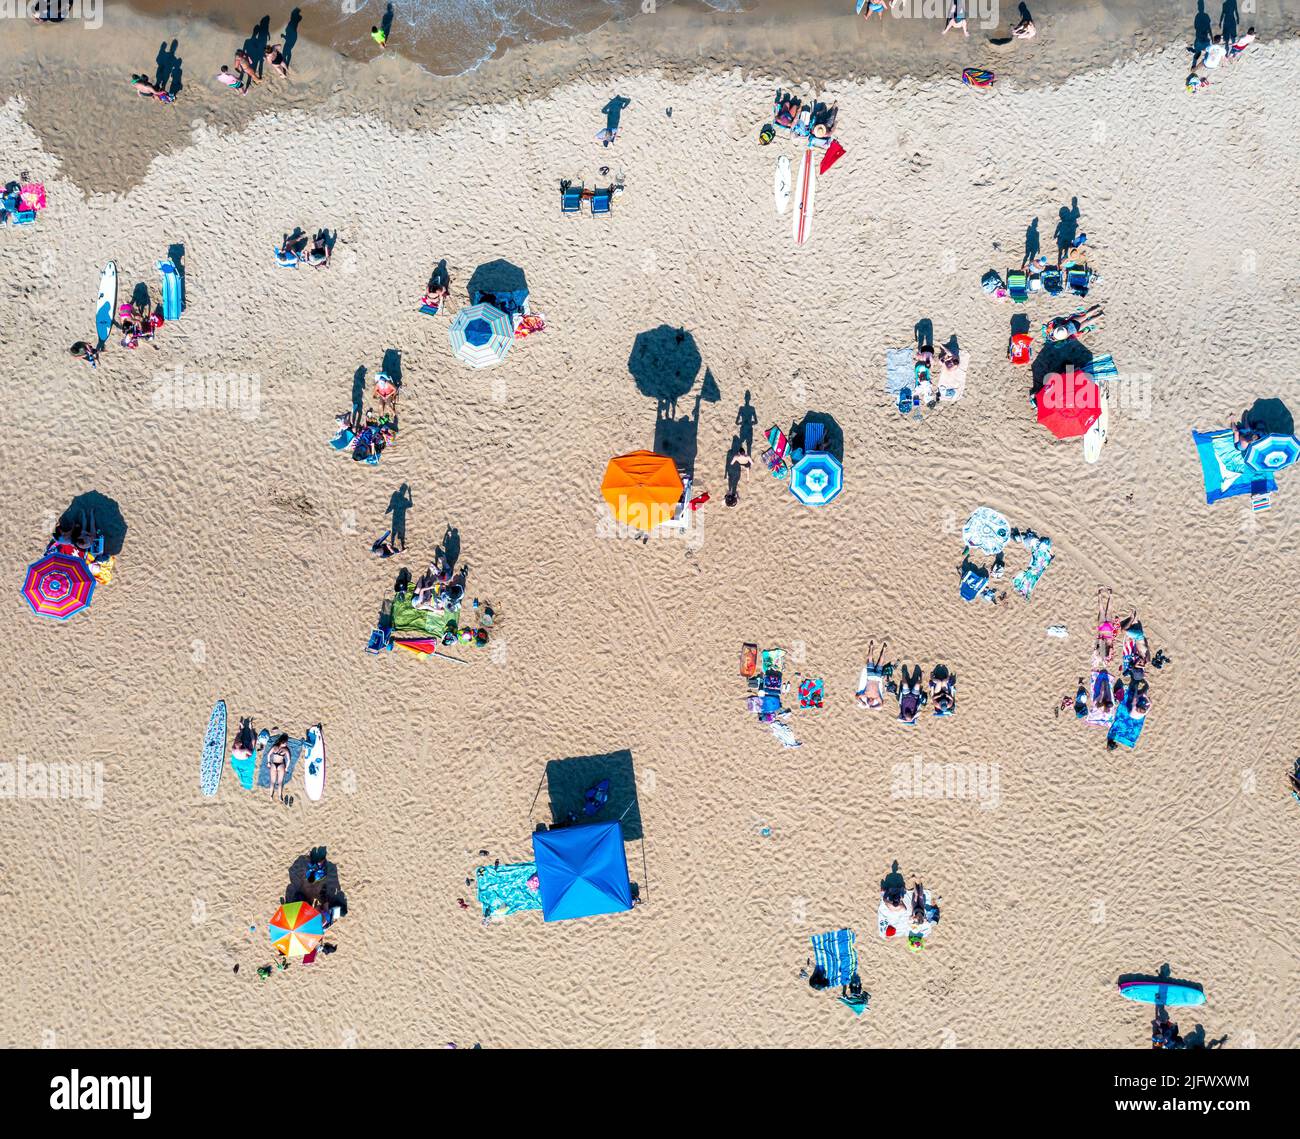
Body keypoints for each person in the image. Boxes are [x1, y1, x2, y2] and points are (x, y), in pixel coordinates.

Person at [267, 733, 290, 802]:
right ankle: (280, 797)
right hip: (281, 765)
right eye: (286, 742)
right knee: (280, 782)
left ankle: (271, 797)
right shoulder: (285, 749)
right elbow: (289, 760)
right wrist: (286, 768)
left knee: (272, 782)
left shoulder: (274, 747)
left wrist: (268, 763)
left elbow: (268, 755)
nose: (286, 743)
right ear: (283, 742)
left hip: (273, 764)